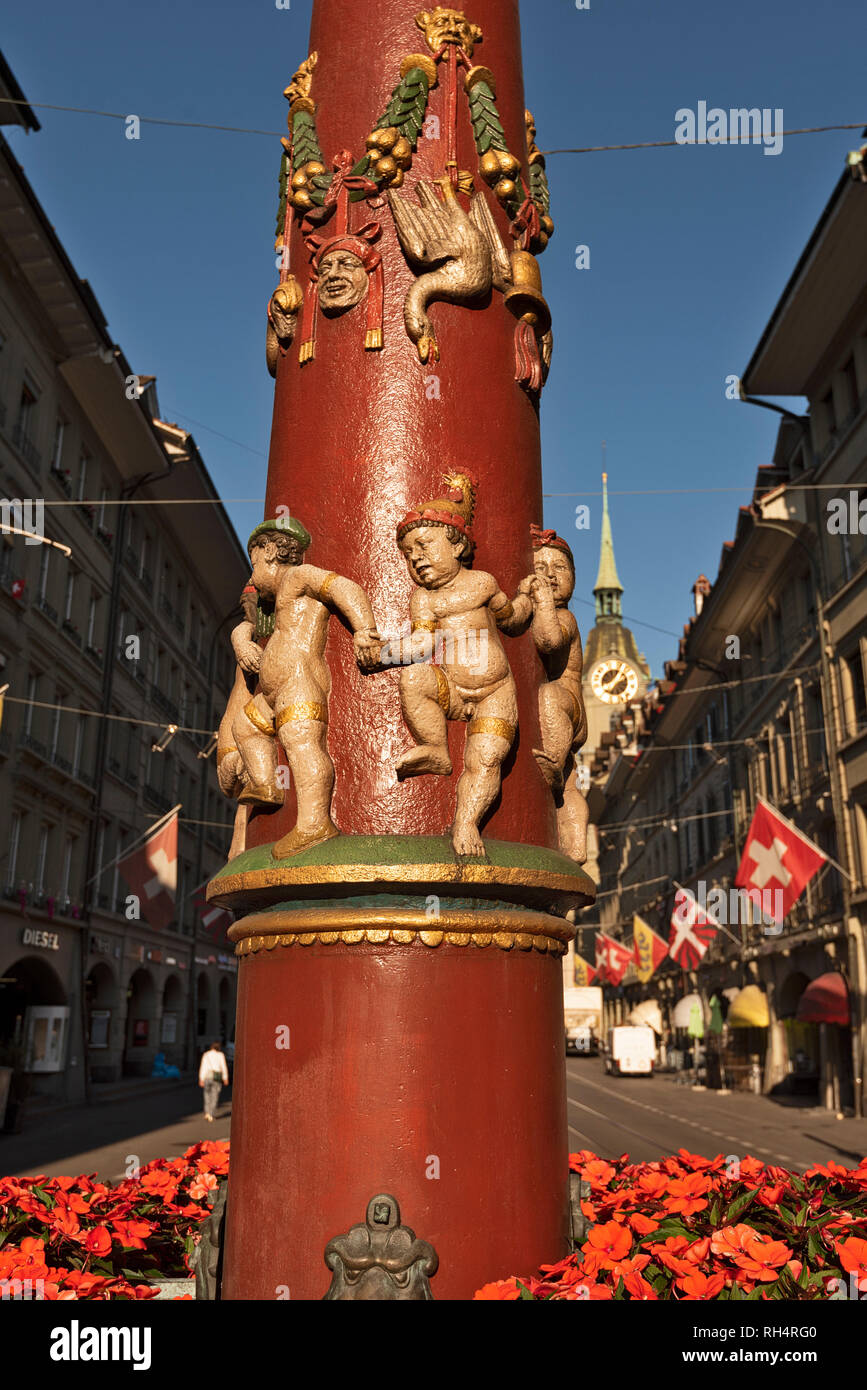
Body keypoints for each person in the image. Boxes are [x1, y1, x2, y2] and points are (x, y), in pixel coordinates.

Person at [199, 1041, 229, 1123]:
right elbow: (223, 1066)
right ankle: (211, 1114)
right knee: (214, 1096)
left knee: (207, 1095)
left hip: (207, 1076)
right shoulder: (220, 1055)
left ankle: (207, 1112)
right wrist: (225, 1078)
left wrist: (201, 1078)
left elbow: (203, 1067)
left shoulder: (206, 1055)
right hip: (216, 1077)